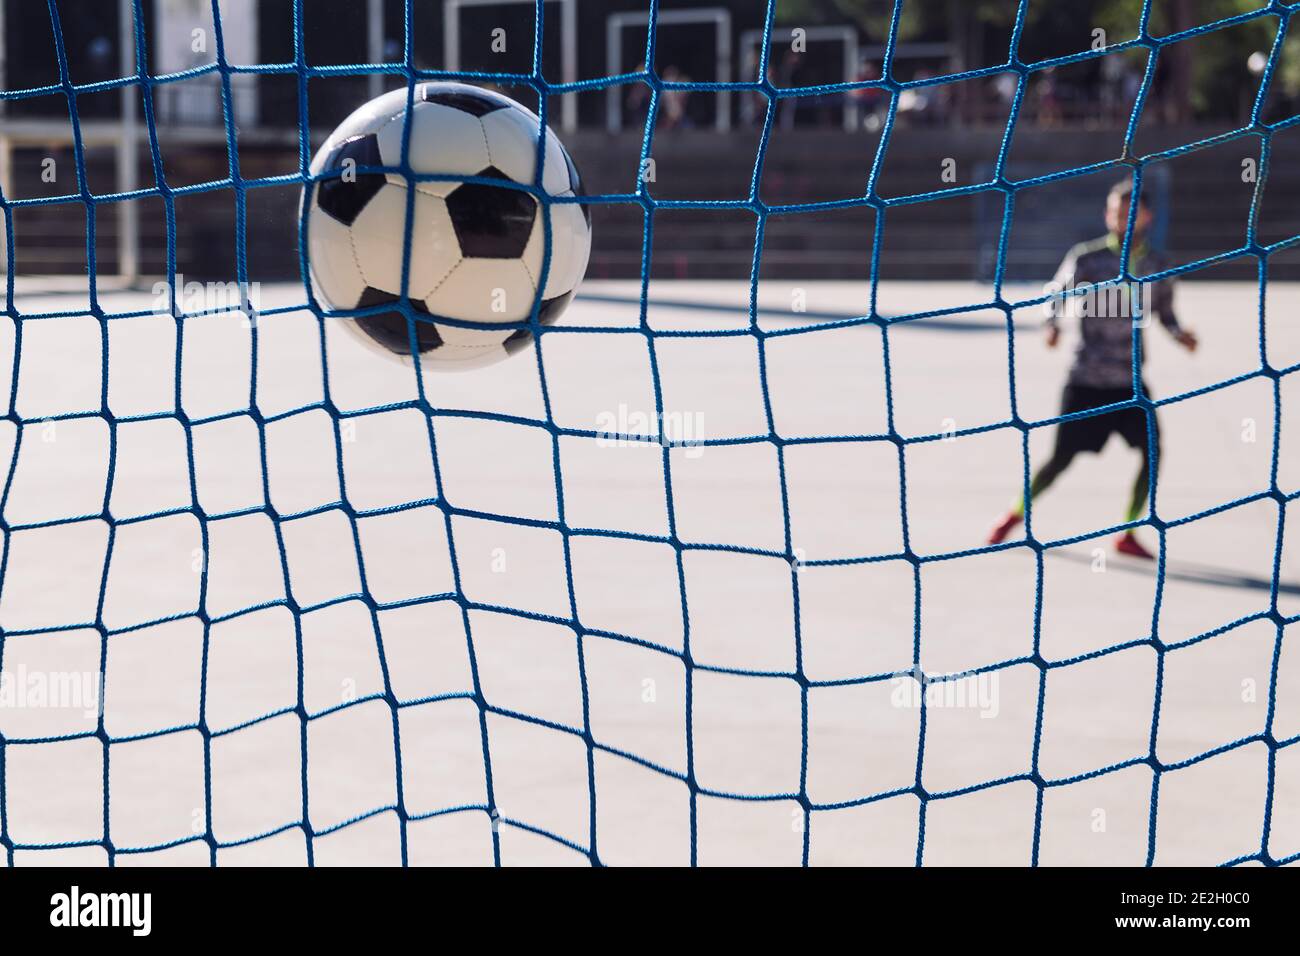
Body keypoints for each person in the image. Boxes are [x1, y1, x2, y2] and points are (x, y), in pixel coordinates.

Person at [987, 178, 1199, 558]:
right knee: (1059, 461)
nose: (1124, 218)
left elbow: (1166, 313)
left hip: (1128, 383)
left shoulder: (1158, 264)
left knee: (1153, 452)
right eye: (1118, 212)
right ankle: (1014, 514)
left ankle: (1128, 531)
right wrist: (1051, 325)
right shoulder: (1087, 258)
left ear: (1147, 217)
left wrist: (1180, 334)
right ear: (1107, 216)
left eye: (1132, 212)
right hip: (1086, 380)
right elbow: (1056, 296)